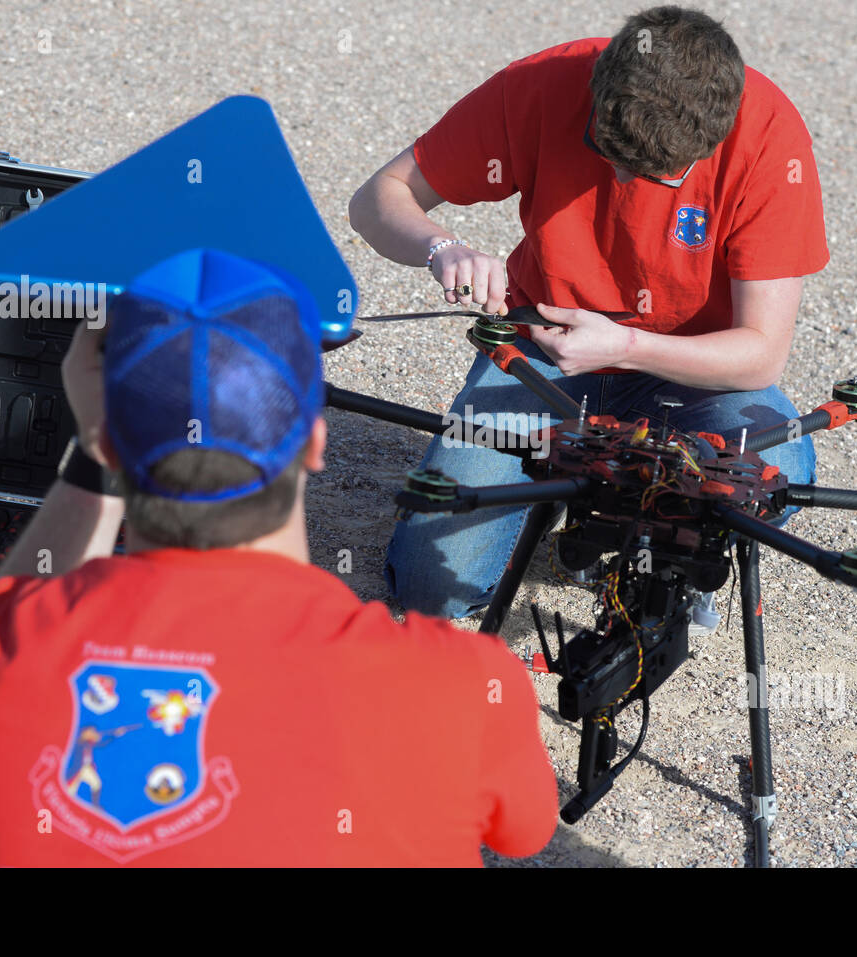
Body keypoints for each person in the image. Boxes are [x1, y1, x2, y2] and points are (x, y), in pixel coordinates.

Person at [0, 248, 558, 866]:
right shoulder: (461, 687)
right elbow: (526, 830)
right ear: (314, 443)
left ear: (109, 439)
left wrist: (93, 447)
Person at [349, 5, 828, 622]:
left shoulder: (768, 134)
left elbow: (762, 350)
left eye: (652, 176)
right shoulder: (545, 83)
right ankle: (570, 493)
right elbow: (377, 199)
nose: (623, 178)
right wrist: (443, 248)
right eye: (606, 152)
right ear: (596, 91)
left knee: (774, 478)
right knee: (431, 590)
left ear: (715, 135)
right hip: (541, 363)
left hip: (690, 373)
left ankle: (635, 519)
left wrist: (627, 348)